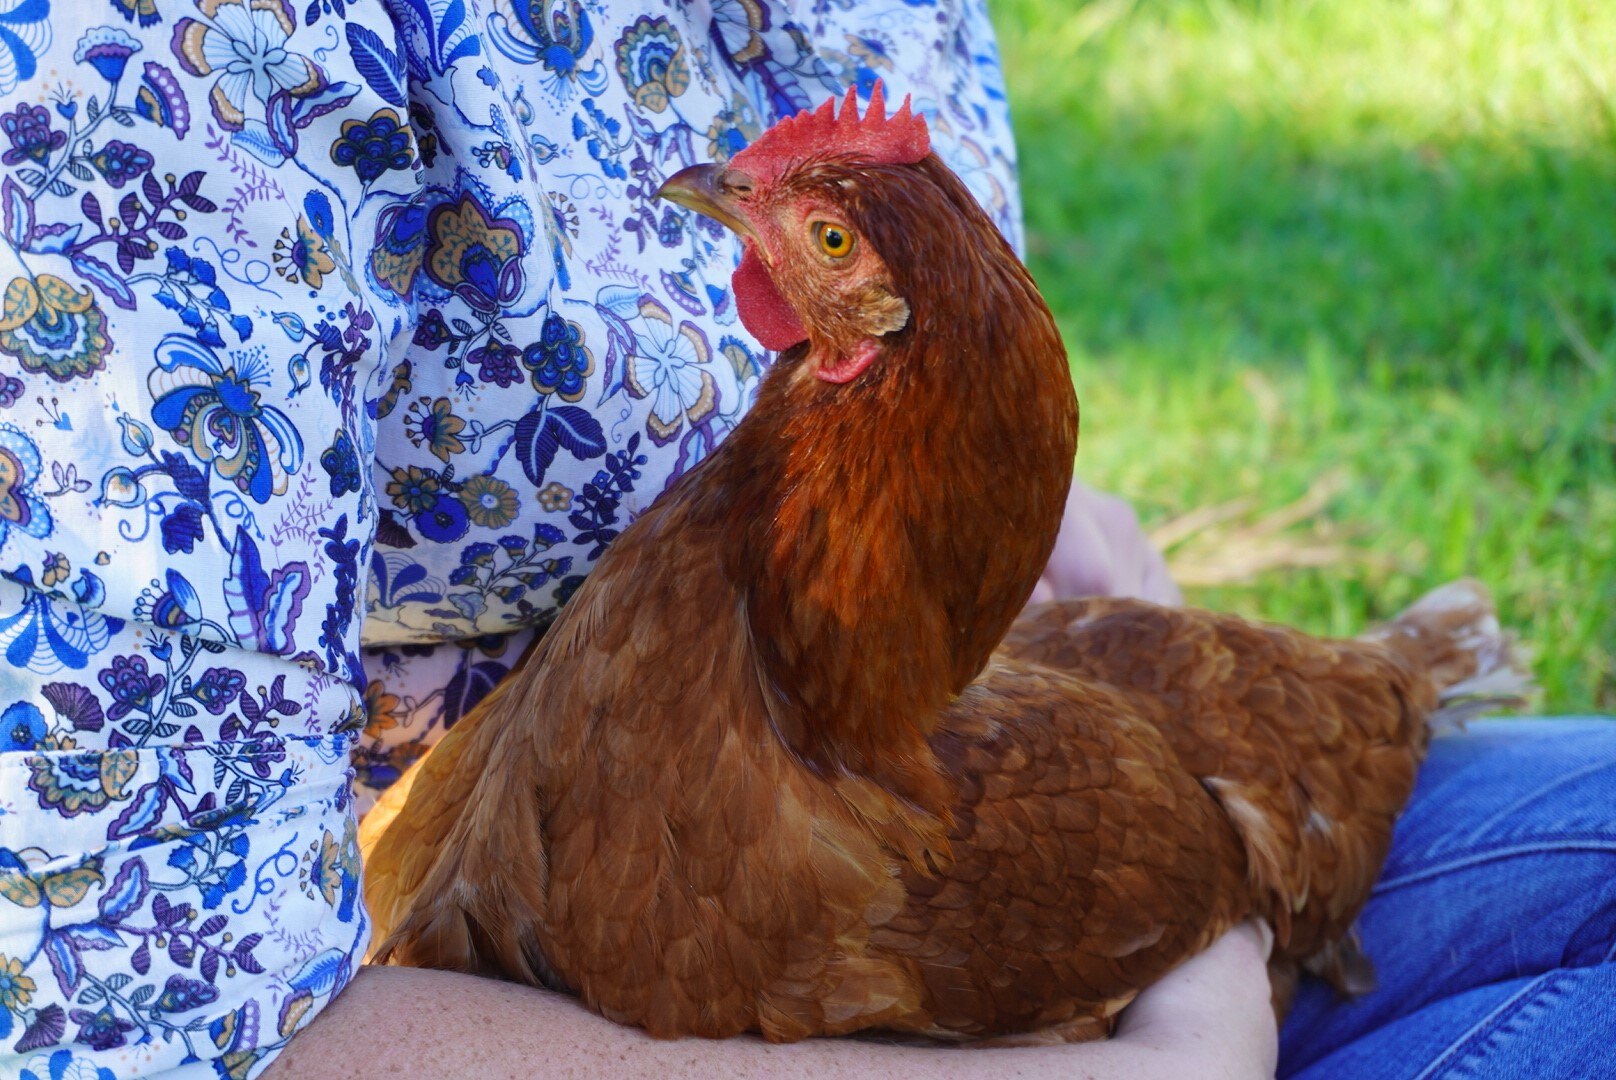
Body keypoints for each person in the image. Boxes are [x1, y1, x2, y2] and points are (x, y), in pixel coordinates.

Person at [0, 0, 1610, 1077]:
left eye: (822, 231)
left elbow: (949, 420)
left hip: (1056, 815)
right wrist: (1183, 1043)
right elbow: (135, 1010)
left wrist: (1042, 544)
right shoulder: (165, 63)